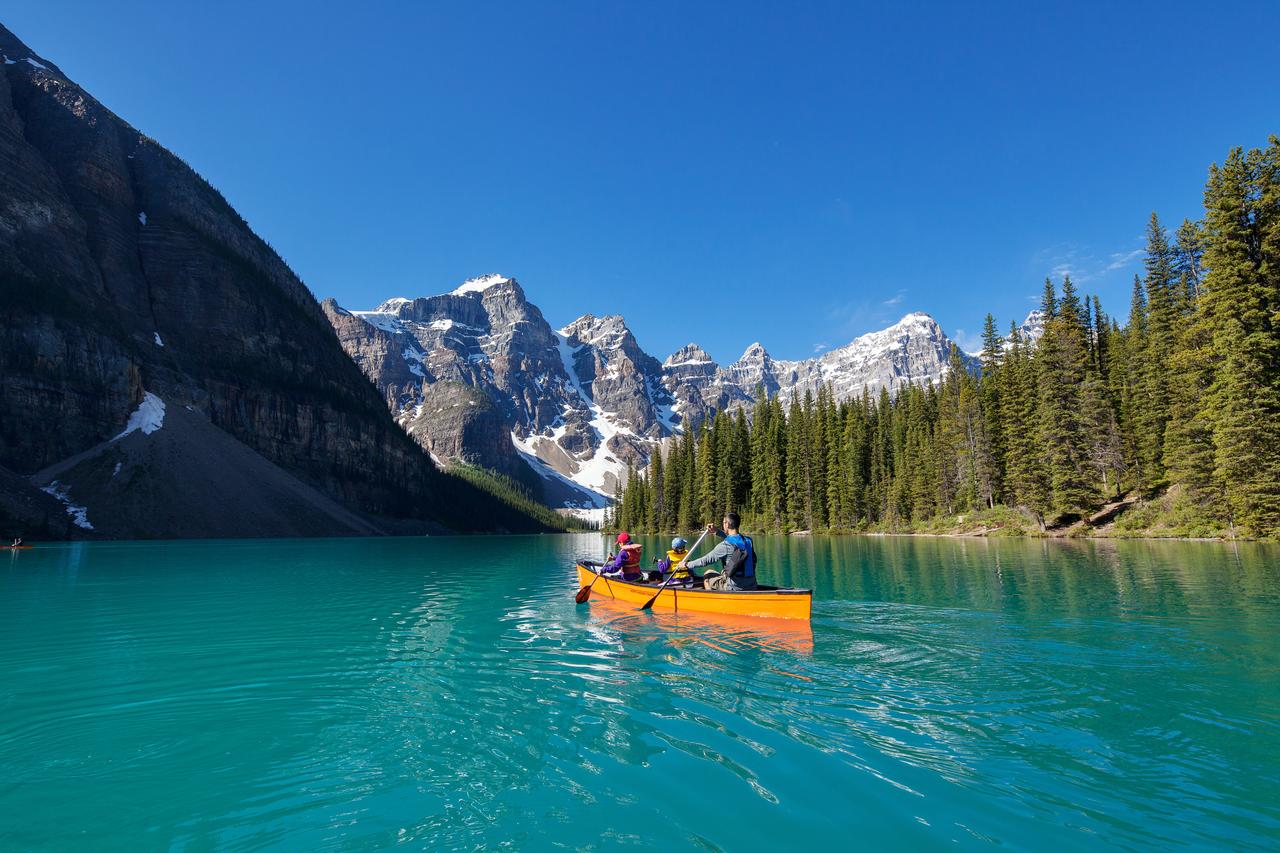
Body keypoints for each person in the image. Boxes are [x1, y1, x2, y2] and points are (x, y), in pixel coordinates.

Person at [680, 513, 757, 591]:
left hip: (734, 587)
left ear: (727, 524)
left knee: (708, 573)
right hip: (752, 585)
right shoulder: (748, 541)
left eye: (723, 522)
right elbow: (735, 541)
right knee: (723, 574)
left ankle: (713, 600)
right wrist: (716, 531)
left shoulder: (724, 545)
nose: (723, 525)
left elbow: (705, 560)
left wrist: (686, 564)